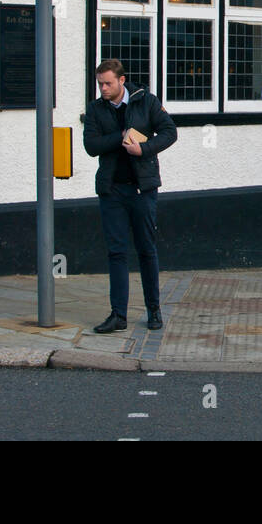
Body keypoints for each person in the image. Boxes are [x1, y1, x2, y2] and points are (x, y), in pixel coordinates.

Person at [83, 59, 177, 333]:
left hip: (142, 189)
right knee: (116, 252)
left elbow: (170, 132)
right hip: (112, 189)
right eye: (100, 83)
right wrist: (120, 136)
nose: (103, 88)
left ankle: (154, 311)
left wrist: (144, 149)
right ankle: (118, 316)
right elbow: (91, 145)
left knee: (147, 250)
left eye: (108, 83)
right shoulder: (96, 109)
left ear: (121, 81)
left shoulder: (145, 101)